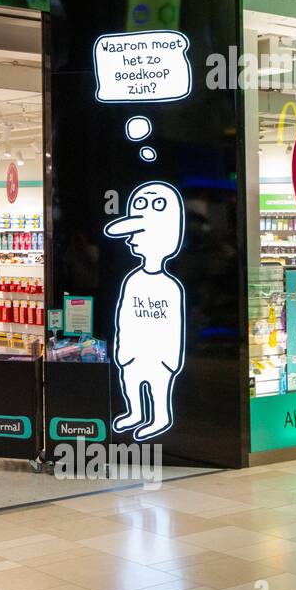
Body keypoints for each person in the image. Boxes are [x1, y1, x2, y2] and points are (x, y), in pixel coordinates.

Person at [102, 181, 186, 441]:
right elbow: (123, 318)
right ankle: (135, 412)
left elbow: (175, 325)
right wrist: (121, 350)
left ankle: (160, 416)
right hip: (133, 351)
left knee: (158, 386)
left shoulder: (171, 286)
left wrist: (172, 360)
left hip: (160, 355)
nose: (130, 240)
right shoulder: (132, 279)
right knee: (131, 381)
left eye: (137, 234)